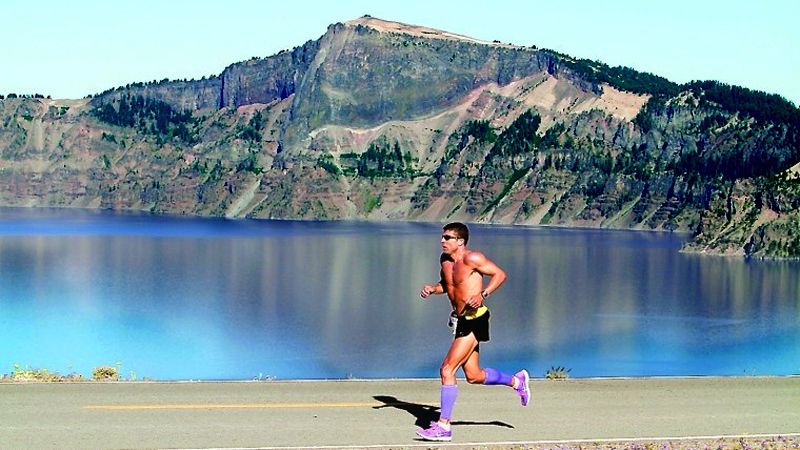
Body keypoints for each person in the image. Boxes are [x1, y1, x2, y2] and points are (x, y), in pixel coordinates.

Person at [416, 222, 530, 442]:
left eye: (447, 238)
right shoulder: (445, 261)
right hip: (460, 321)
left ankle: (444, 426)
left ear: (460, 241)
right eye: (442, 237)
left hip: (475, 320)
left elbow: (500, 275)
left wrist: (482, 294)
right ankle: (517, 382)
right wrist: (433, 289)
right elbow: (448, 285)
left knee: (447, 369)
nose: (442, 241)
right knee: (474, 376)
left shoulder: (473, 258)